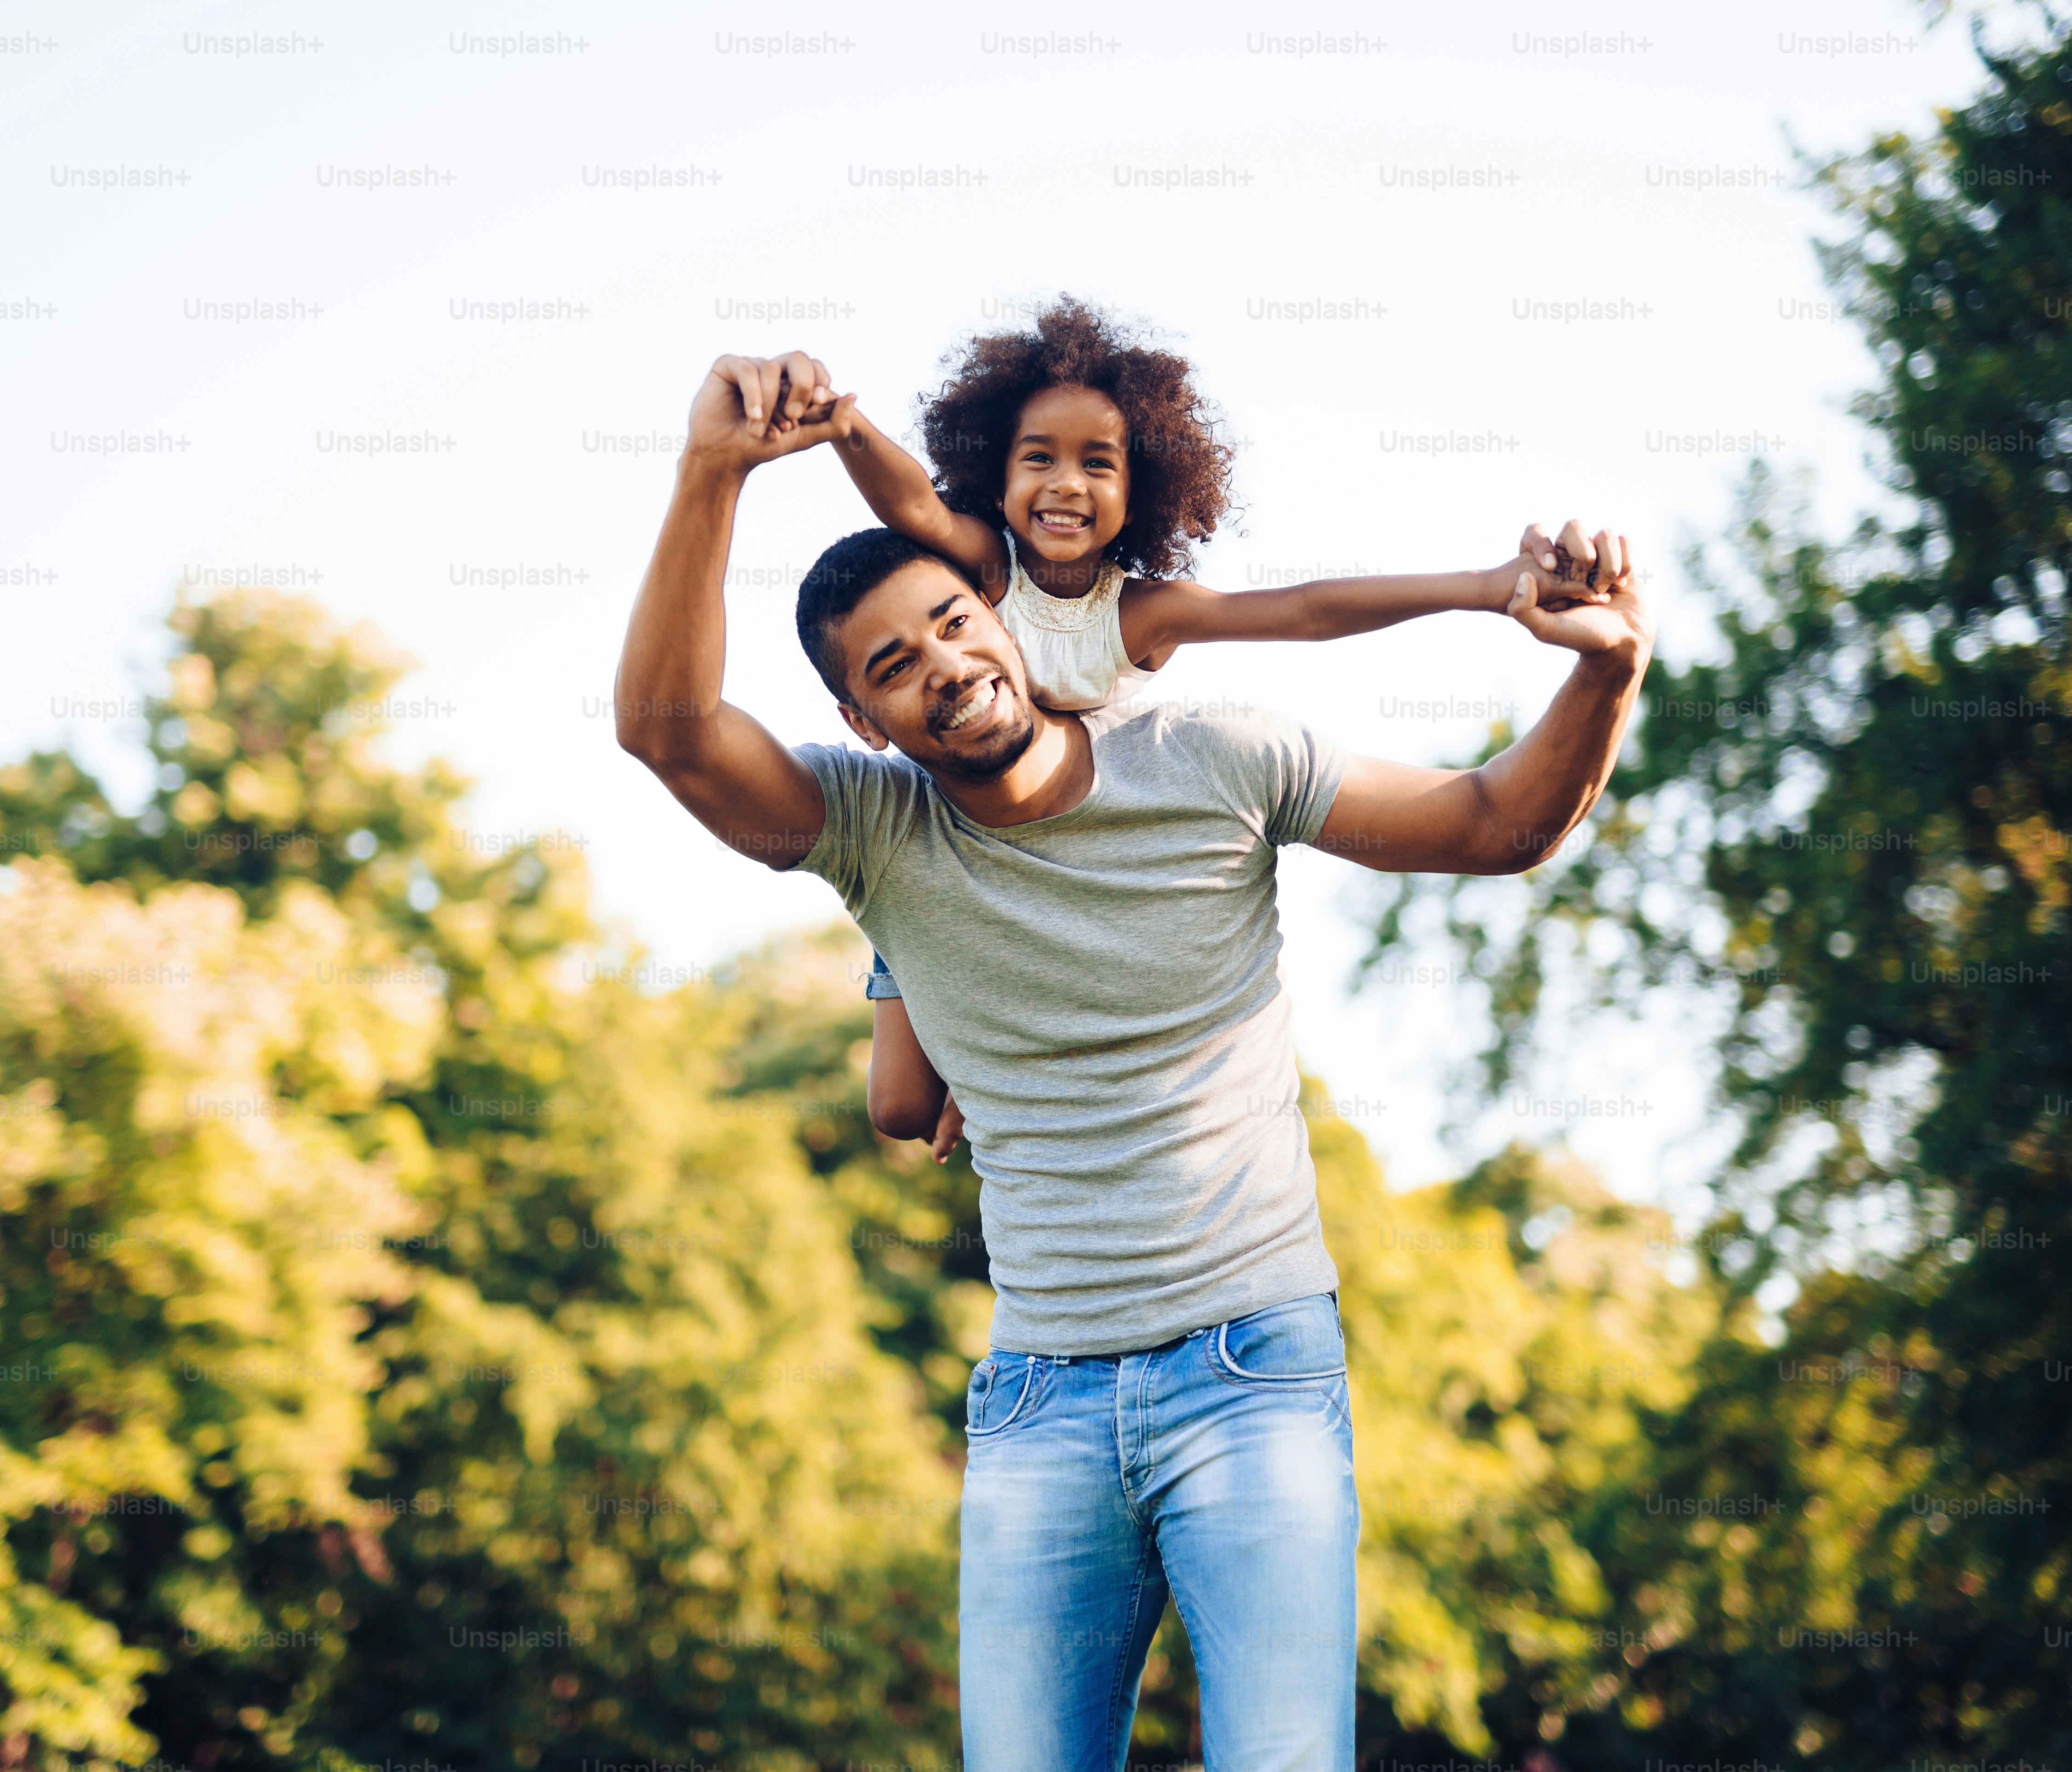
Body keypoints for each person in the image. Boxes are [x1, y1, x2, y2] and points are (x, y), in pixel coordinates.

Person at [614, 348, 1647, 1772]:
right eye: (893, 669)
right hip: (1041, 1403)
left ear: (1000, 615)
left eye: (952, 624)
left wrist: (1608, 669)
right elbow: (667, 734)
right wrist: (712, 473)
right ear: (863, 724)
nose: (945, 668)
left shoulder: (1218, 758)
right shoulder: (872, 831)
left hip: (1255, 1375)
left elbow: (1492, 825)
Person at [809, 298, 1614, 1158]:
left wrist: (1486, 588)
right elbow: (911, 506)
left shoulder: (1146, 613)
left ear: (1140, 492)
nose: (1067, 484)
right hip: (952, 846)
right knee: (900, 1106)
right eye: (1038, 458)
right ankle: (953, 1025)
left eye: (1098, 464)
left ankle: (994, 1066)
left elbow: (1307, 610)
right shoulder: (985, 569)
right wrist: (843, 426)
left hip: (1071, 847)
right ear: (996, 479)